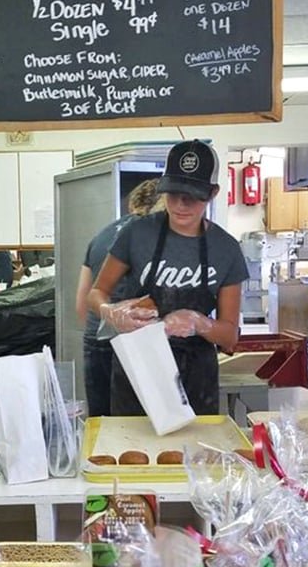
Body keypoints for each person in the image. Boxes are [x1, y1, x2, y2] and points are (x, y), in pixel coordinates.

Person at [88, 140, 248, 416]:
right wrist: (110, 311)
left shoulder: (226, 249)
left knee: (190, 455)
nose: (179, 205)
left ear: (212, 193)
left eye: (191, 197)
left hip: (195, 379)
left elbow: (229, 337)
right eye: (172, 194)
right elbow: (96, 293)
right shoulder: (137, 234)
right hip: (137, 371)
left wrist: (200, 323)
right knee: (133, 451)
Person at [76, 178, 160, 416]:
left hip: (96, 341)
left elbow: (82, 302)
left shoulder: (101, 236)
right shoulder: (155, 236)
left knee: (104, 424)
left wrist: (100, 332)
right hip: (138, 343)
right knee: (143, 428)